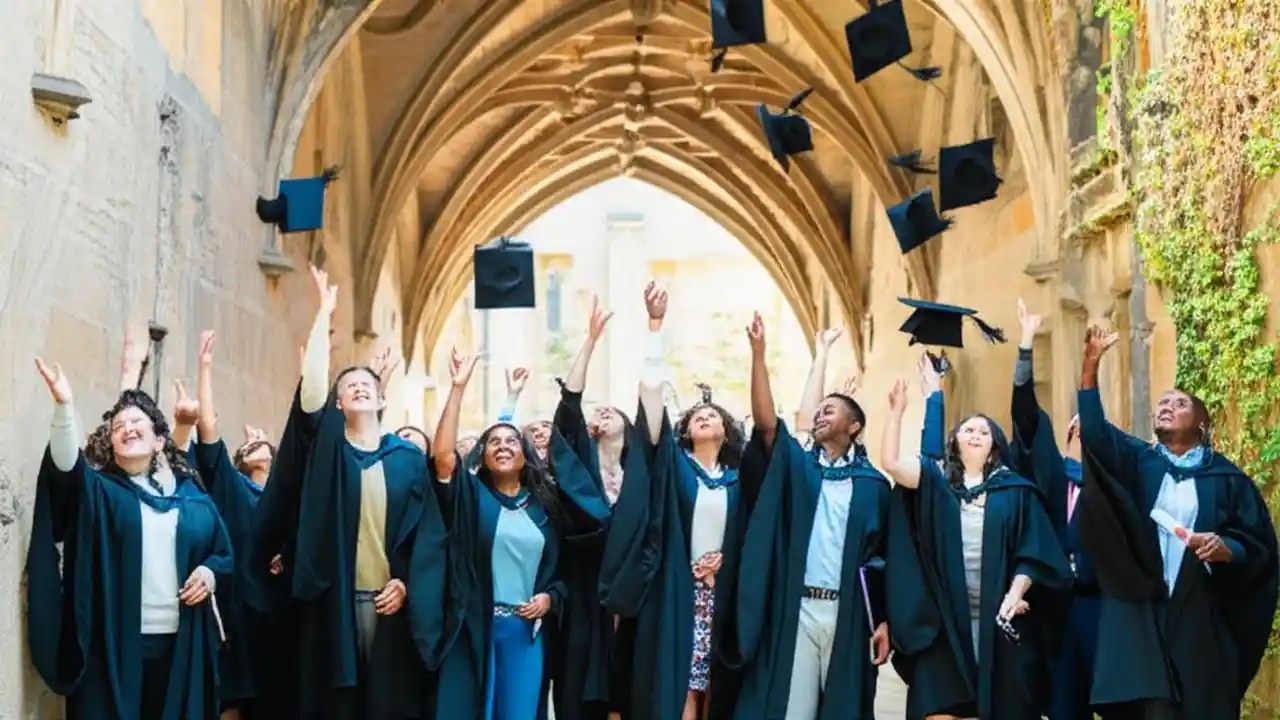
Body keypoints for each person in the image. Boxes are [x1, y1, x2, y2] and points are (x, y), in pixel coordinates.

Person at [244, 265, 447, 719]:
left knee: (387, 706)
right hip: (332, 605)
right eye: (347, 386)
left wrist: (408, 583)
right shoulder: (329, 453)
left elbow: (429, 538)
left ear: (381, 399)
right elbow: (311, 392)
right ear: (338, 404)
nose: (357, 387)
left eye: (366, 385)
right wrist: (325, 316)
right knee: (335, 706)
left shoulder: (407, 460)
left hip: (388, 603)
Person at [1075, 324, 1278, 718]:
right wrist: (1090, 367)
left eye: (1179, 403)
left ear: (1202, 424)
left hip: (1200, 615)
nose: (1166, 406)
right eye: (1163, 402)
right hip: (1144, 613)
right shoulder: (1138, 461)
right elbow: (1097, 437)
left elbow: (1256, 545)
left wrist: (1225, 549)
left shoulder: (1227, 479)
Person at [27, 351, 232, 719]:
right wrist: (64, 409)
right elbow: (67, 467)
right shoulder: (103, 491)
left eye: (137, 422)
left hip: (181, 646)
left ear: (158, 442)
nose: (127, 429)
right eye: (118, 426)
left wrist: (209, 574)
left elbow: (221, 552)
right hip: (115, 646)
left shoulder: (190, 496)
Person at [880, 355, 1072, 720]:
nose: (976, 434)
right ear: (953, 442)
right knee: (938, 708)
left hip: (997, 619)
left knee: (1000, 707)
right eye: (968, 429)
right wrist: (897, 411)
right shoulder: (935, 484)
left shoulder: (1014, 491)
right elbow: (890, 463)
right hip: (943, 620)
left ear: (994, 446)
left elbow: (1033, 551)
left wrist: (1015, 596)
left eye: (984, 431)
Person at [429, 348, 609, 720]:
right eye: (494, 442)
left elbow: (561, 572)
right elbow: (444, 457)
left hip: (527, 633)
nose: (503, 446)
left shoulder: (545, 507)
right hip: (474, 628)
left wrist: (550, 598)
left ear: (527, 454)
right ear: (483, 454)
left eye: (512, 442)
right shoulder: (472, 496)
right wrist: (458, 388)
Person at [726, 316, 891, 720]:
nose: (819, 416)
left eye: (829, 412)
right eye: (817, 412)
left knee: (842, 709)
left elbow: (887, 557)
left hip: (848, 614)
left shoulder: (873, 485)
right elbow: (768, 424)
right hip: (798, 609)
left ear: (854, 426)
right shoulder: (802, 470)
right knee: (791, 711)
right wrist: (759, 355)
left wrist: (883, 619)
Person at [599, 282, 749, 720]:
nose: (705, 416)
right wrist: (654, 328)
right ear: (684, 432)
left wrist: (722, 560)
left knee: (711, 692)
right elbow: (650, 400)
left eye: (714, 414)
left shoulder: (738, 480)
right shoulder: (676, 467)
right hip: (676, 589)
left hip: (720, 594)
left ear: (726, 429)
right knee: (678, 687)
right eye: (697, 416)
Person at [1004, 301, 1106, 720]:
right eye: (1074, 425)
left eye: (1089, 426)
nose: (1079, 430)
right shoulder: (1049, 476)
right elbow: (1025, 415)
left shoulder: (1109, 486)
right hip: (1051, 607)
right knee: (1061, 706)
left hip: (1098, 605)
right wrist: (1025, 345)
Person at [547, 296, 647, 720]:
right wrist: (589, 342)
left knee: (627, 689)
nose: (603, 412)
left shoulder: (642, 476)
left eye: (612, 410)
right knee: (578, 683)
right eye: (598, 411)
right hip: (585, 586)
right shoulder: (582, 466)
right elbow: (569, 405)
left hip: (632, 593)